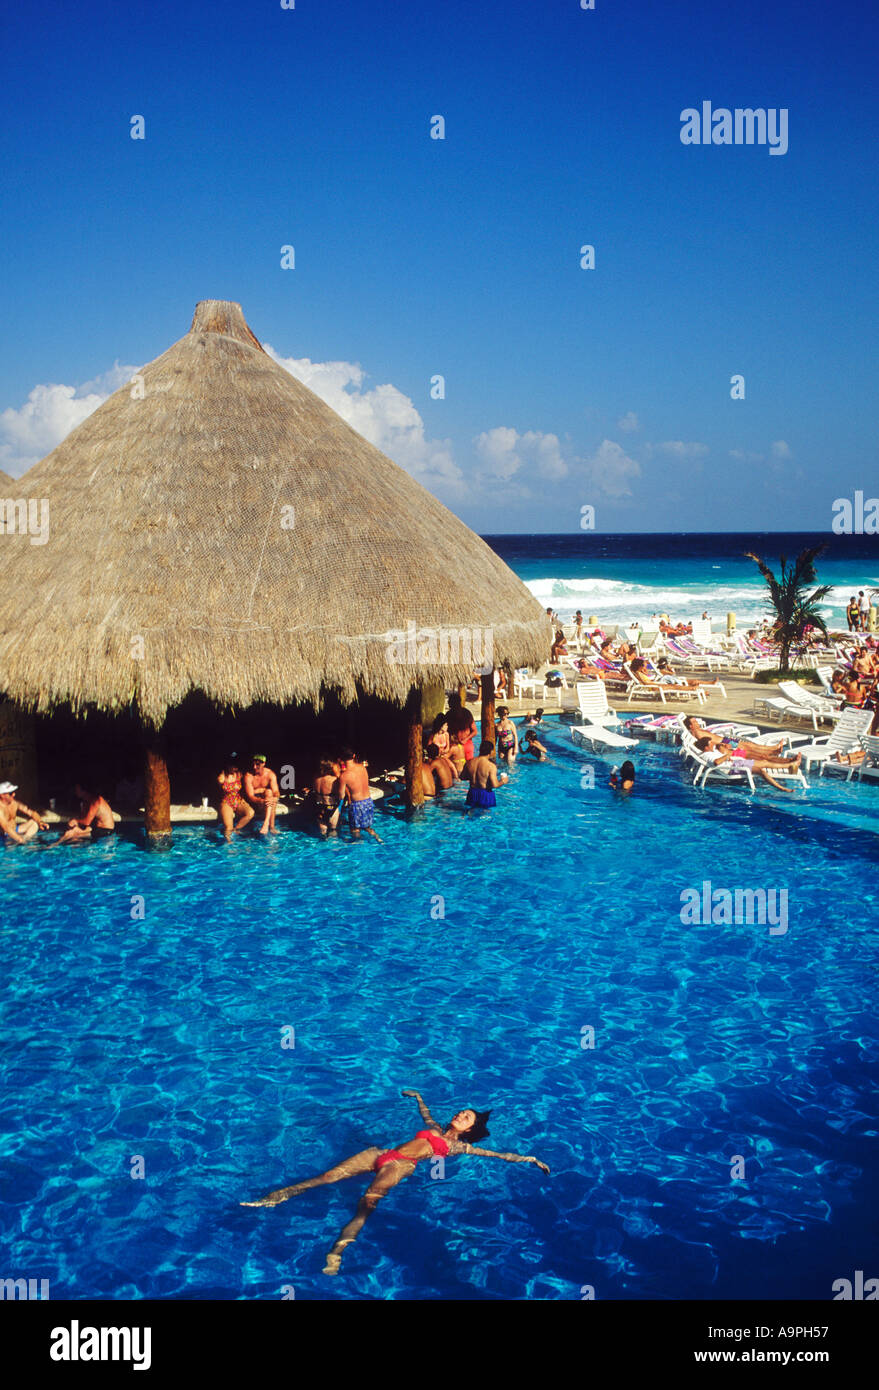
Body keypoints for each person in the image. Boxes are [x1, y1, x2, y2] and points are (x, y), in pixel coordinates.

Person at [240, 1087, 550, 1276]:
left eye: (467, 1117)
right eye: (461, 1111)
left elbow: (499, 1155)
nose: (460, 1114)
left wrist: (531, 1160)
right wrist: (417, 1096)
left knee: (366, 1204)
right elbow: (424, 1111)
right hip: (381, 1154)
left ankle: (336, 1253)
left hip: (401, 1166)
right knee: (326, 1177)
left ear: (470, 1129)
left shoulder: (461, 1146)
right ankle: (276, 1197)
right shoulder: (433, 1126)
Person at [695, 737, 803, 792]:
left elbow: (719, 758)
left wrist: (728, 756)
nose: (713, 743)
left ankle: (790, 765)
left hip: (735, 763)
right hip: (731, 768)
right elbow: (716, 762)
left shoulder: (710, 751)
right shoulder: (706, 755)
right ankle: (784, 783)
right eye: (710, 743)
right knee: (762, 768)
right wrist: (727, 756)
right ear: (705, 747)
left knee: (764, 764)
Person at [682, 716, 784, 761]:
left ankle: (772, 750)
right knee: (749, 746)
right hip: (725, 742)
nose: (697, 723)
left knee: (750, 746)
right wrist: (723, 745)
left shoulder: (697, 730)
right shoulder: (698, 732)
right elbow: (709, 742)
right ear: (690, 726)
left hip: (725, 740)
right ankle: (773, 750)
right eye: (694, 722)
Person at [338, 748, 382, 841]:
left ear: (341, 759)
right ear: (354, 756)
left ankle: (359, 845)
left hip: (357, 805)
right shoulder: (362, 767)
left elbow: (341, 796)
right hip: (368, 802)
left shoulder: (344, 776)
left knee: (355, 830)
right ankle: (378, 839)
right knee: (367, 827)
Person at [217, 755, 254, 840]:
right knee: (228, 827)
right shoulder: (222, 777)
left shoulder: (239, 774)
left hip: (238, 800)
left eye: (236, 767)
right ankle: (229, 844)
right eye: (233, 767)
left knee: (250, 813)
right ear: (228, 765)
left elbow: (245, 787)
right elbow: (218, 789)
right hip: (226, 802)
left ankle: (236, 829)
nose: (235, 769)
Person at [243, 754, 281, 835]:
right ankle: (271, 827)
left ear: (263, 763)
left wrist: (275, 798)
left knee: (270, 793)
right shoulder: (248, 776)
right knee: (270, 798)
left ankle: (267, 823)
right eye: (253, 764)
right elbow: (250, 796)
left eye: (257, 765)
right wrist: (262, 801)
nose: (254, 767)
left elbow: (276, 792)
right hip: (255, 803)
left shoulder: (270, 774)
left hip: (266, 801)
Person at [462, 739, 505, 809]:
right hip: (486, 794)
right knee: (486, 816)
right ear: (491, 752)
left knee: (471, 813)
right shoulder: (491, 766)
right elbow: (495, 784)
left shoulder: (469, 762)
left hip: (472, 792)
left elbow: (462, 777)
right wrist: (503, 781)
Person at [310, 758, 342, 836]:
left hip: (319, 806)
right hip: (331, 806)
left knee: (323, 831)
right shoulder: (334, 780)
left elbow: (314, 789)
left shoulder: (316, 778)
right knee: (333, 830)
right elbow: (341, 794)